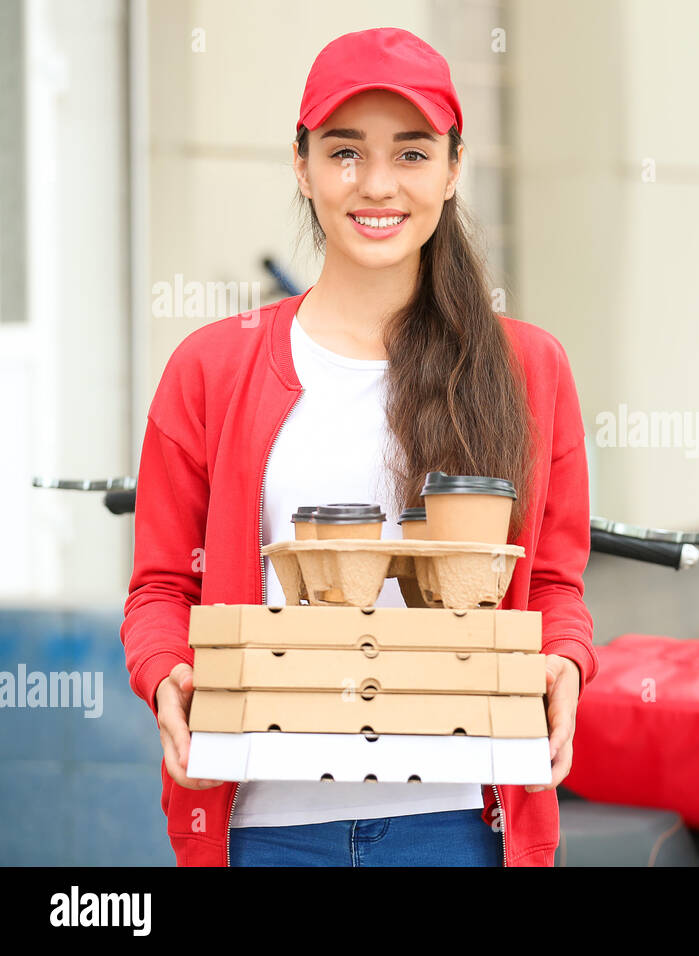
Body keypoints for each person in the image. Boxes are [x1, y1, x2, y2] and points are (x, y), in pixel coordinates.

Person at [120, 27, 597, 867]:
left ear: (453, 169)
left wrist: (565, 661)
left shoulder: (527, 369)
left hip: (459, 825)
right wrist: (166, 675)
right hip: (264, 827)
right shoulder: (211, 368)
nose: (377, 184)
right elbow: (161, 585)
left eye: (411, 154)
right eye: (346, 152)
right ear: (302, 166)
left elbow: (553, 583)